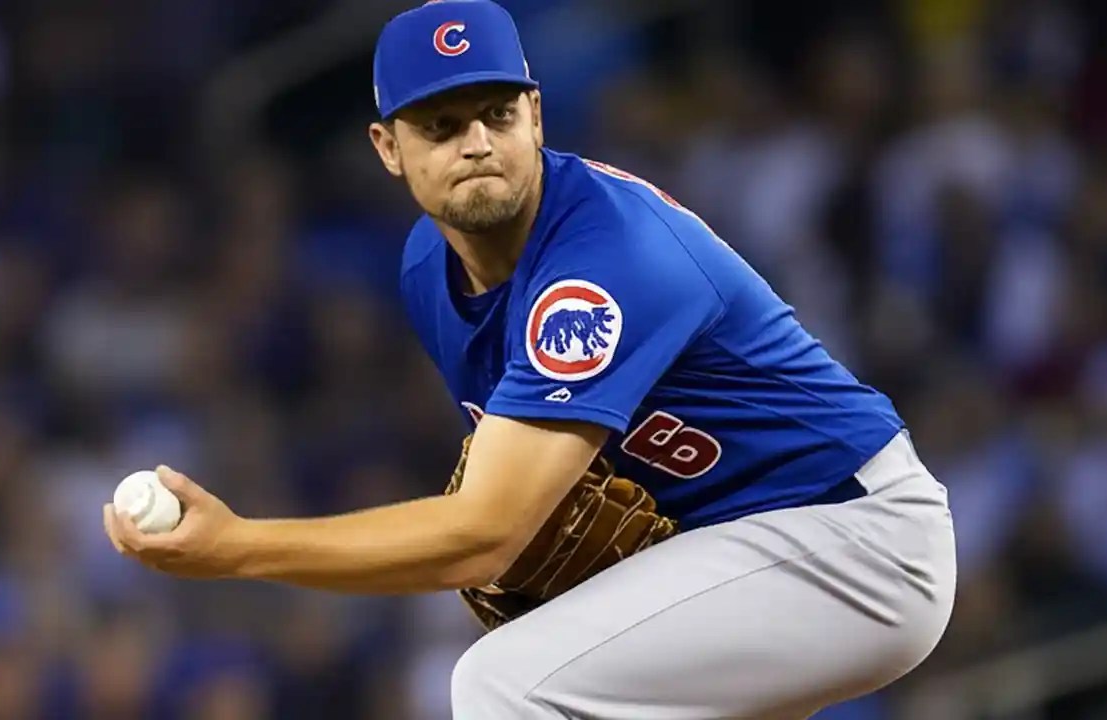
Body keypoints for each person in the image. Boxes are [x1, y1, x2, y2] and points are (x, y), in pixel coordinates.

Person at [103, 1, 957, 717]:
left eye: (497, 114)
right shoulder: (424, 272)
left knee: (505, 683)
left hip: (855, 533)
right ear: (387, 147)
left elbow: (484, 534)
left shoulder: (607, 257)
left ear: (536, 115)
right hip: (743, 544)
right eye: (441, 124)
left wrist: (240, 546)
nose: (476, 141)